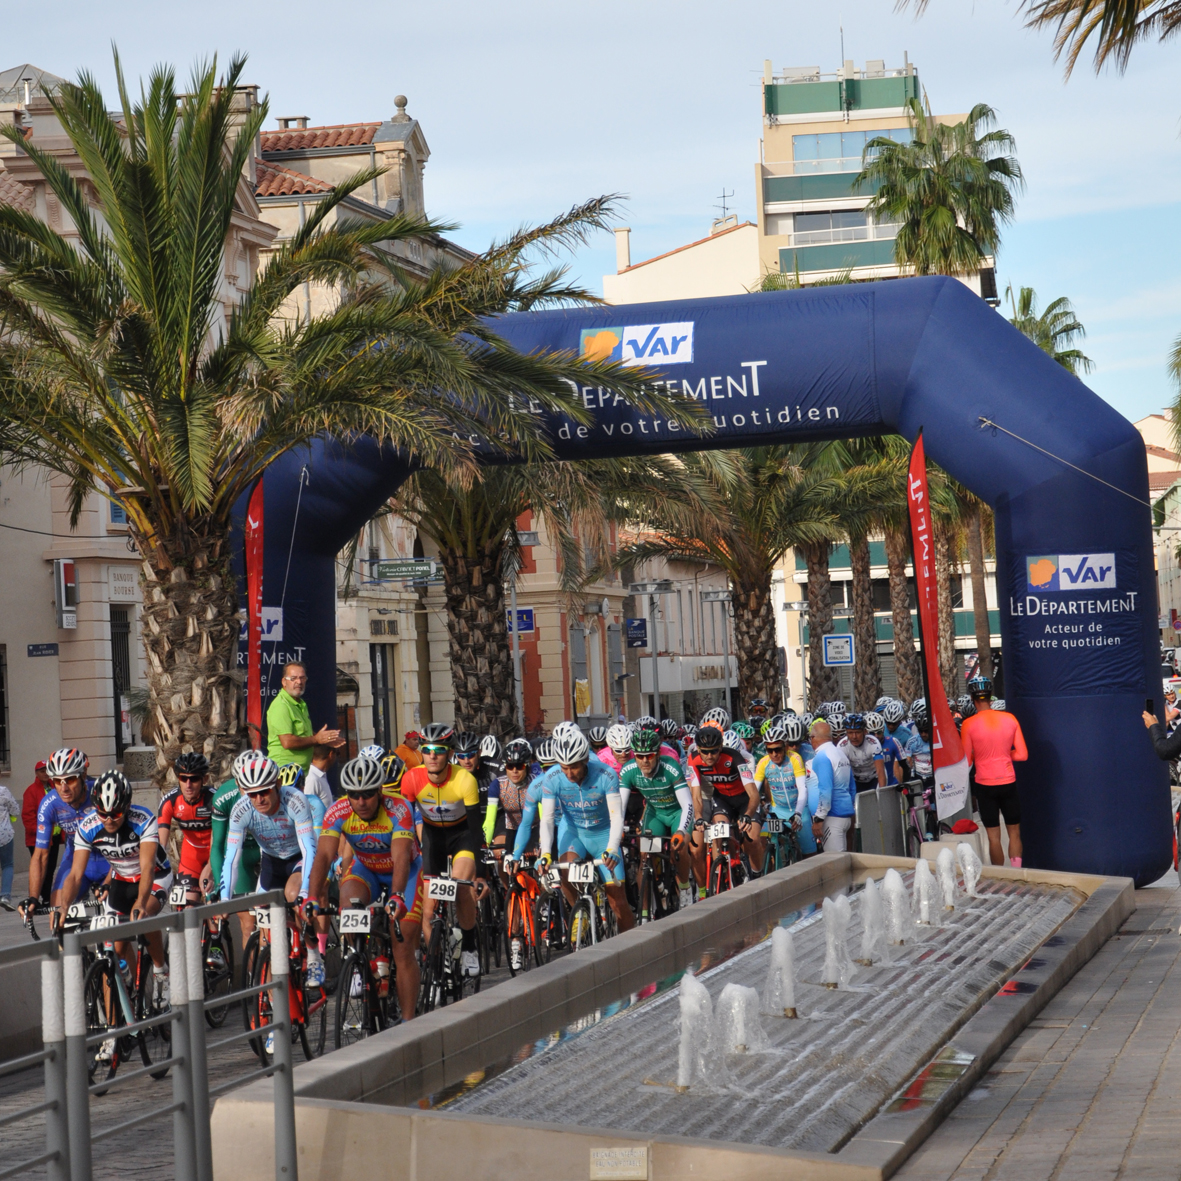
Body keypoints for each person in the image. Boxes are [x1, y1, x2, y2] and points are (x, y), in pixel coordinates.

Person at [309, 755, 423, 1021]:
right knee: (348, 906)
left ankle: (409, 1023)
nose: (361, 801)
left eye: (368, 794)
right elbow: (324, 856)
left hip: (404, 872)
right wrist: (312, 897)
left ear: (380, 791)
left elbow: (401, 858)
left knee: (402, 946)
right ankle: (361, 963)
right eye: (355, 795)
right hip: (367, 869)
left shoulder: (399, 809)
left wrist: (396, 895)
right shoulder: (338, 811)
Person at [62, 770, 172, 1004]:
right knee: (115, 949)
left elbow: (148, 867)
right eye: (103, 813)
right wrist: (63, 907)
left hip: (154, 876)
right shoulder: (89, 826)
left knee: (143, 916)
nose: (109, 819)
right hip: (122, 879)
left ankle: (162, 971)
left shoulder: (143, 820)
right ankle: (131, 1001)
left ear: (128, 806)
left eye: (116, 813)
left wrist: (141, 903)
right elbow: (74, 875)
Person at [399, 723, 483, 978]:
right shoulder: (411, 778)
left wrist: (481, 876)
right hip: (433, 838)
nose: (432, 755)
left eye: (439, 749)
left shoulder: (464, 779)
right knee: (428, 909)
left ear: (449, 753)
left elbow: (475, 830)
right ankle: (438, 961)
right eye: (427, 749)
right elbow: (403, 824)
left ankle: (469, 947)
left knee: (459, 887)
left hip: (462, 837)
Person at [537, 727, 634, 933]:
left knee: (617, 901)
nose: (569, 773)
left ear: (584, 761)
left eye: (573, 767)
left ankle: (632, 945)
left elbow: (617, 815)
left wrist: (613, 848)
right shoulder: (553, 777)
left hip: (603, 833)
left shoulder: (605, 775)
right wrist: (545, 852)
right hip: (574, 831)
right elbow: (546, 818)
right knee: (566, 874)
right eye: (564, 767)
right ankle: (581, 914)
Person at [20, 748, 109, 918]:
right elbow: (40, 856)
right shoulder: (50, 804)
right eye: (57, 781)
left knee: (121, 930)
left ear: (83, 775)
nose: (64, 787)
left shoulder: (100, 793)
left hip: (110, 858)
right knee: (57, 916)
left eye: (70, 779)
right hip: (74, 860)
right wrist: (33, 897)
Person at [220, 751, 317, 905]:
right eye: (252, 794)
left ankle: (307, 927)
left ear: (278, 784)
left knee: (294, 894)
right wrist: (225, 898)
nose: (259, 799)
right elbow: (231, 859)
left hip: (299, 858)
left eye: (265, 791)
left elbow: (309, 850)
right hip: (272, 861)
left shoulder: (295, 800)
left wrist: (305, 891)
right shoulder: (240, 810)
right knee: (261, 906)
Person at [618, 725, 694, 911]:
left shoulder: (671, 767)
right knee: (644, 858)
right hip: (656, 813)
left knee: (680, 848)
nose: (644, 761)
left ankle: (685, 887)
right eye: (639, 756)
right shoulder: (628, 770)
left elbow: (688, 805)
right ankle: (645, 912)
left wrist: (681, 831)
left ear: (657, 754)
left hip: (677, 812)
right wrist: (617, 829)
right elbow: (619, 806)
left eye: (649, 756)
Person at [685, 722, 764, 891]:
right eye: (705, 752)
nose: (710, 756)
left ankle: (758, 875)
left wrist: (748, 815)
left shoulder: (734, 757)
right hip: (723, 800)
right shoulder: (693, 760)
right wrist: (698, 817)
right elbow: (696, 796)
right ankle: (723, 875)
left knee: (752, 838)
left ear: (721, 747)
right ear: (698, 749)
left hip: (745, 801)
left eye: (714, 750)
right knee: (719, 832)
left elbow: (754, 795)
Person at [960, 677, 1028, 868]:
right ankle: (1016, 872)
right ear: (990, 697)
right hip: (1008, 782)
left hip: (984, 784)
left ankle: (1000, 878)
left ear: (973, 699)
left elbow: (967, 759)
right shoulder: (1010, 719)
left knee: (993, 837)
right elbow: (1022, 755)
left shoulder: (968, 724)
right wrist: (1004, 754)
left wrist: (981, 755)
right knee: (1014, 832)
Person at [157, 752, 215, 905]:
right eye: (184, 778)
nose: (188, 785)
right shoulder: (170, 801)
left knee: (213, 907)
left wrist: (211, 867)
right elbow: (161, 843)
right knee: (186, 906)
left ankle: (215, 928)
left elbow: (219, 839)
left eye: (194, 779)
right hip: (191, 855)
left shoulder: (213, 800)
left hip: (215, 852)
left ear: (205, 779)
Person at [754, 718, 816, 857]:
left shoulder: (795, 758)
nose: (774, 754)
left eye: (778, 749)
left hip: (798, 809)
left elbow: (802, 789)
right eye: (770, 750)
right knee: (763, 842)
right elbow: (753, 790)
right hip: (777, 812)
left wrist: (798, 814)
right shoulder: (763, 763)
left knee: (810, 855)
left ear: (786, 746)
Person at [266, 662, 342, 772]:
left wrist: (325, 739)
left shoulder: (301, 704)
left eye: (302, 678)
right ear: (284, 681)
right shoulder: (281, 705)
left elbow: (305, 735)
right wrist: (316, 739)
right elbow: (287, 742)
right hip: (284, 773)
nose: (299, 682)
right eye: (293, 678)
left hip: (300, 772)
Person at [807, 719, 855, 852]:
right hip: (844, 815)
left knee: (834, 863)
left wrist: (818, 819)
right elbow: (852, 787)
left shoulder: (821, 757)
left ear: (813, 738)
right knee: (841, 860)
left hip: (832, 817)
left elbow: (826, 790)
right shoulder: (840, 753)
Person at [22, 761, 60, 904]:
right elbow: (28, 815)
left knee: (50, 869)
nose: (45, 773)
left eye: (47, 770)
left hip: (54, 837)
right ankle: (36, 897)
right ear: (36, 773)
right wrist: (38, 832)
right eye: (42, 771)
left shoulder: (54, 787)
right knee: (39, 868)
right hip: (38, 838)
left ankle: (46, 898)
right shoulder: (31, 790)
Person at [839, 714, 887, 793]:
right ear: (846, 733)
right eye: (850, 733)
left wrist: (882, 795)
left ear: (865, 732)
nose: (854, 736)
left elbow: (880, 771)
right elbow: (842, 774)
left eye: (857, 732)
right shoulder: (842, 746)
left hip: (874, 777)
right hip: (856, 780)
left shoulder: (873, 743)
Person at [0, 781, 18, 908]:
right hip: (4, 835)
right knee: (7, 865)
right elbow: (15, 810)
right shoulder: (3, 791)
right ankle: (5, 896)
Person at [305, 744, 336, 814]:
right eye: (337, 753)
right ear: (331, 754)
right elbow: (308, 810)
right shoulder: (312, 779)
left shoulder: (320, 775)